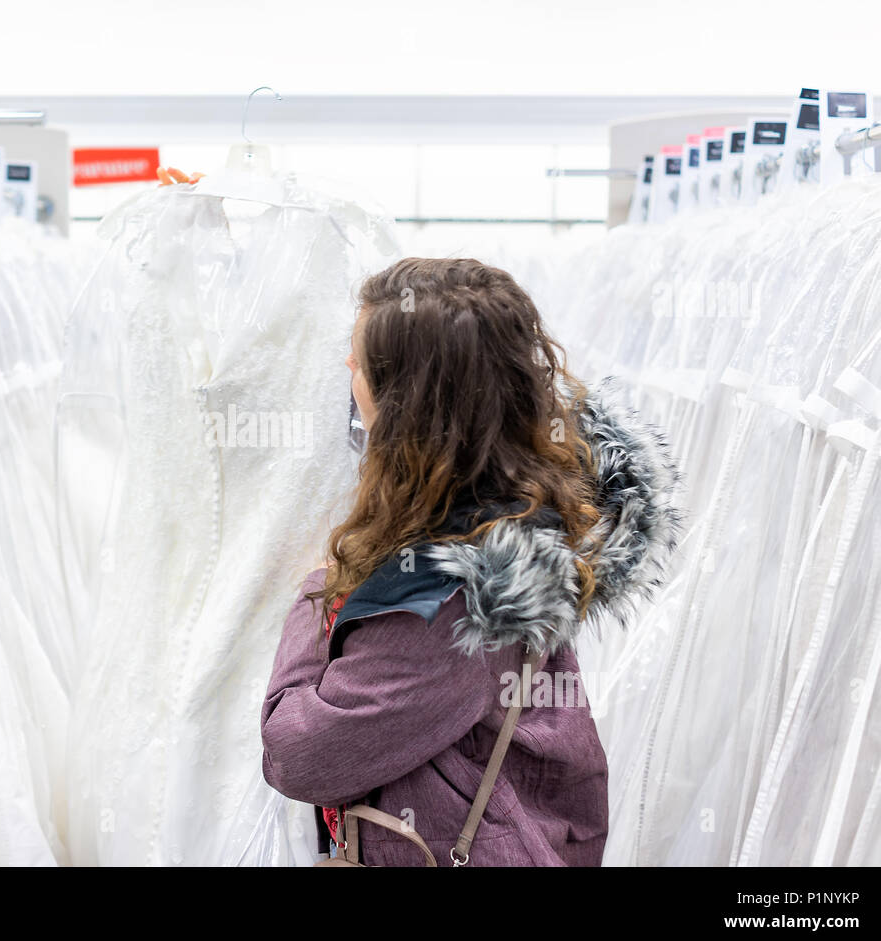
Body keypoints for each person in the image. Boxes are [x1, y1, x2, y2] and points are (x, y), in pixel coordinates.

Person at [259, 257, 681, 866]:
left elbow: (298, 756)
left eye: (360, 360)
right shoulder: (515, 524)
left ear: (409, 403)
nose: (347, 370)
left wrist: (317, 592)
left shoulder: (446, 610)